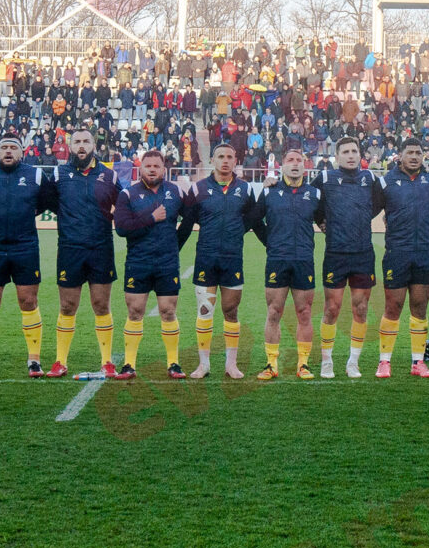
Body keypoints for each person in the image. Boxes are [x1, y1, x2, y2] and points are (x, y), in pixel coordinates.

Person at [0, 135, 57, 377]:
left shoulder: (36, 175)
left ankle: (34, 360)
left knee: (28, 301)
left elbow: (51, 203)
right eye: (4, 148)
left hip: (25, 246)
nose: (8, 152)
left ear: (23, 152)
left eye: (13, 148)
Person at [49, 128, 123, 380]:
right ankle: (60, 361)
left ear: (94, 145)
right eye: (77, 142)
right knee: (67, 306)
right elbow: (45, 202)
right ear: (70, 147)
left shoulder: (109, 175)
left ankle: (107, 361)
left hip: (101, 248)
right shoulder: (59, 174)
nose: (81, 146)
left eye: (86, 141)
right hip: (69, 249)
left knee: (101, 305)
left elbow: (124, 205)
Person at [181, 141, 256, 380]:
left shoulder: (245, 189)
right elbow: (187, 222)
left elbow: (254, 220)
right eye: (220, 156)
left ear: (235, 161)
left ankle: (230, 365)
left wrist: (236, 232)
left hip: (233, 258)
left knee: (230, 311)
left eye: (229, 157)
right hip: (206, 257)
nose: (225, 161)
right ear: (212, 161)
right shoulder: (199, 189)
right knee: (205, 310)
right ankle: (203, 365)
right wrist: (172, 248)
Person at [114, 149, 188, 380]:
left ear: (164, 169)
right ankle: (128, 364)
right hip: (138, 262)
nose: (153, 169)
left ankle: (173, 363)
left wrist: (176, 244)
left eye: (157, 166)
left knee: (168, 311)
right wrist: (151, 218)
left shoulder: (175, 192)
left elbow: (190, 219)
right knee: (135, 312)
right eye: (148, 166)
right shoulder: (128, 194)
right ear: (141, 168)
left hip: (167, 262)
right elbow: (122, 228)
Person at [315, 136, 384, 379]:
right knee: (331, 309)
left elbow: (378, 204)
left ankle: (353, 362)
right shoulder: (325, 179)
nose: (351, 155)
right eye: (346, 151)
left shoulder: (370, 179)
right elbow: (312, 205)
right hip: (335, 253)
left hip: (363, 253)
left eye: (355, 151)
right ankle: (327, 361)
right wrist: (323, 222)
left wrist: (361, 216)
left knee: (361, 308)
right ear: (337, 156)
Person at [252, 147, 322, 379]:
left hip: (304, 260)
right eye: (290, 160)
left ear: (305, 165)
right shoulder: (270, 191)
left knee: (304, 312)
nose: (294, 163)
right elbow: (254, 220)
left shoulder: (314, 194)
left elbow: (324, 221)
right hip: (277, 260)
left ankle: (303, 364)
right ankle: (271, 364)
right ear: (282, 165)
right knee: (274, 312)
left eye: (298, 160)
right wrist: (269, 242)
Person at [378, 138, 429, 378]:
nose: (415, 156)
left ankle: (418, 362)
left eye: (419, 153)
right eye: (410, 152)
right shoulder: (386, 182)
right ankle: (384, 361)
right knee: (393, 306)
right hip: (396, 253)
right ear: (400, 155)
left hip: (425, 252)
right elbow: (367, 208)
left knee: (420, 307)